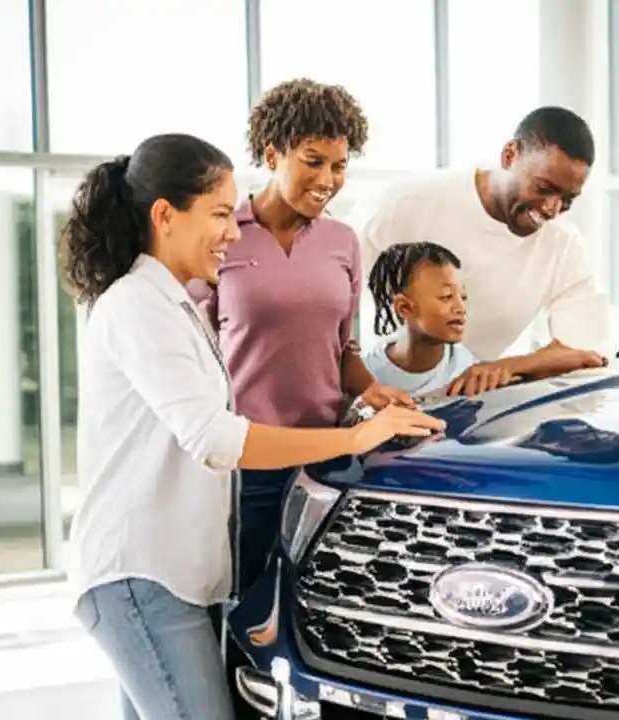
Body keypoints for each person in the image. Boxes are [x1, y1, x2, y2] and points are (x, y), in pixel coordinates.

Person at [62, 133, 444, 720]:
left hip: (177, 577)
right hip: (140, 575)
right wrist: (355, 437)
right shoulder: (136, 305)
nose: (234, 233)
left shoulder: (174, 302)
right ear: (165, 215)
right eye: (219, 214)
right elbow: (217, 438)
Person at [188, 78, 408, 597]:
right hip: (246, 465)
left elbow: (343, 348)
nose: (328, 179)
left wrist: (371, 390)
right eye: (313, 160)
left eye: (339, 165)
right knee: (238, 603)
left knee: (310, 606)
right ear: (272, 152)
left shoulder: (342, 241)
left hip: (328, 462)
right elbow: (194, 351)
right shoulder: (223, 234)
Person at [356, 106, 613, 373]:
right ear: (510, 155)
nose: (552, 209)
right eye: (543, 188)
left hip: (477, 402)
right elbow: (322, 299)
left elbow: (587, 353)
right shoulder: (402, 205)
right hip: (383, 393)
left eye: (567, 199)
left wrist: (503, 368)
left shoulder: (561, 243)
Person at [365, 241, 610, 398]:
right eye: (446, 297)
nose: (461, 308)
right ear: (404, 308)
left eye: (463, 296)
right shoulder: (364, 374)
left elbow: (588, 360)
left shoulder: (470, 370)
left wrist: (514, 367)